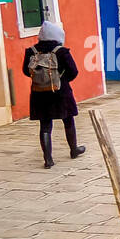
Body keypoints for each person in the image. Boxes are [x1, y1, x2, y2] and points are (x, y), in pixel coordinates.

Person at [23, 21, 83, 169]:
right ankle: (74, 149)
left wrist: (41, 80)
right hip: (60, 92)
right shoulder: (61, 51)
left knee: (45, 125)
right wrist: (61, 80)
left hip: (39, 93)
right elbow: (73, 71)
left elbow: (26, 71)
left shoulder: (31, 51)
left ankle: (48, 159)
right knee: (68, 120)